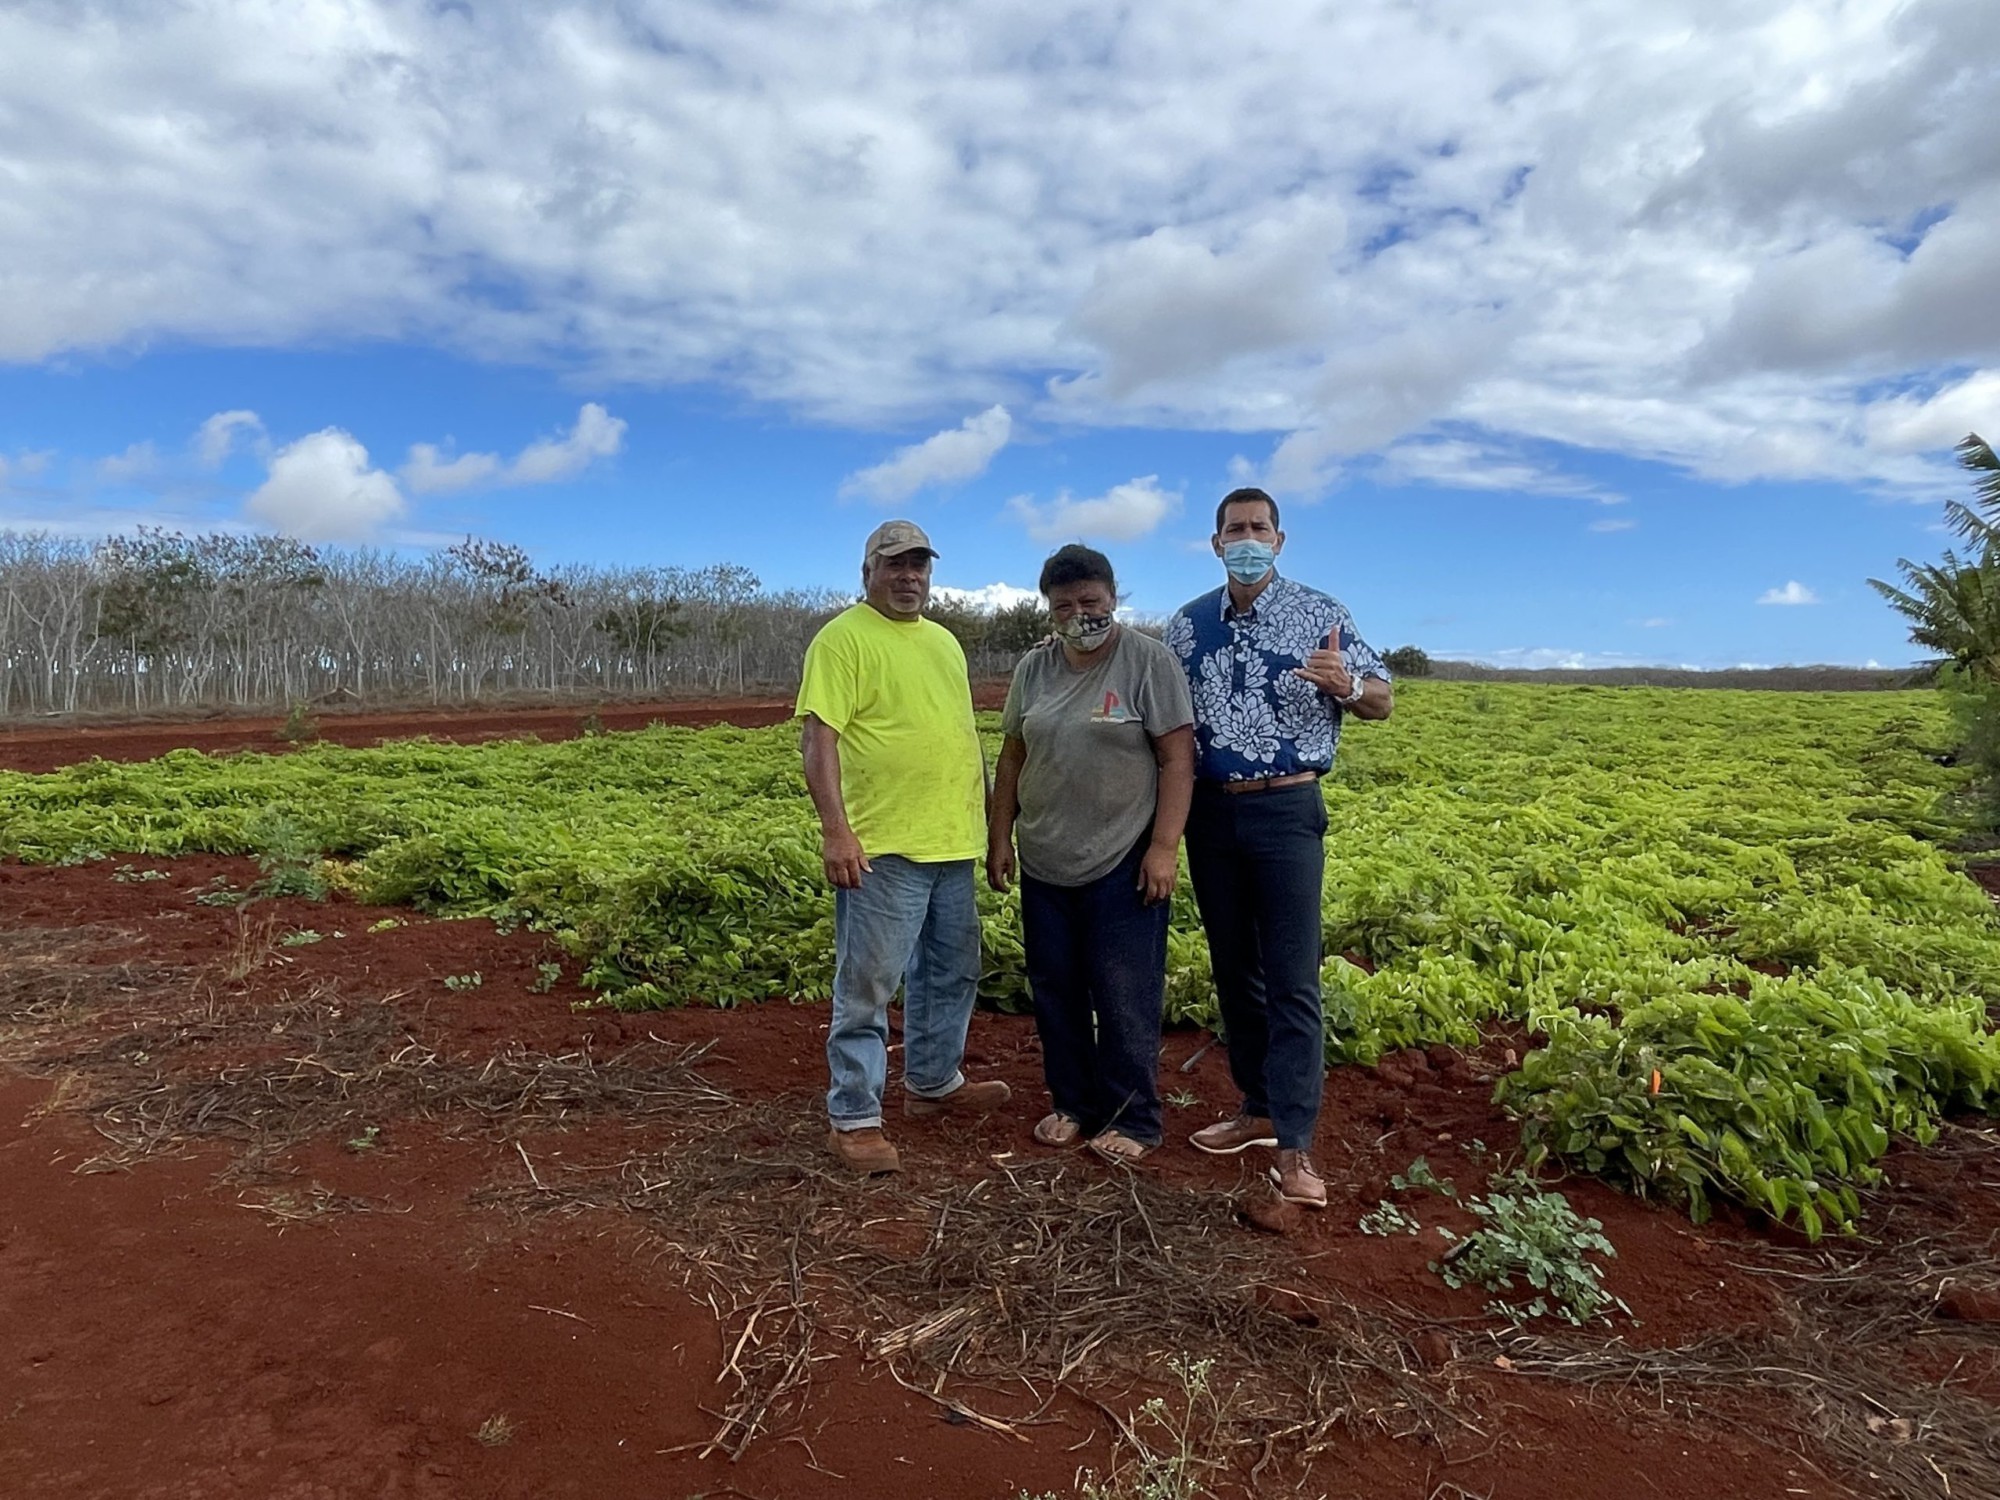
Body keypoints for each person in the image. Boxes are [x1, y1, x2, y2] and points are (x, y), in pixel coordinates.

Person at [1164, 487, 1393, 1209]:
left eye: (1259, 527)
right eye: (1235, 529)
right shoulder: (1187, 626)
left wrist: (1348, 684)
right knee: (1235, 971)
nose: (1247, 538)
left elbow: (1383, 699)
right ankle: (1257, 1108)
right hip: (1210, 812)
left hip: (1288, 810)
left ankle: (1296, 1149)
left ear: (1280, 540)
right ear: (1215, 542)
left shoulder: (1321, 615)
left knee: (1292, 975)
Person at [797, 519, 1011, 1174]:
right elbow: (819, 740)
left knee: (951, 970)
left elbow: (960, 737)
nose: (909, 575)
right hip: (882, 846)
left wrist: (989, 831)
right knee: (870, 981)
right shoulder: (842, 641)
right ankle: (854, 1116)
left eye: (919, 564)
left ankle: (933, 1082)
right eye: (895, 564)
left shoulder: (945, 644)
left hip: (951, 843)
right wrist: (837, 829)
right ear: (867, 572)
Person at [987, 545, 1195, 1163]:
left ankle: (1136, 1119)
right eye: (1065, 605)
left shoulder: (1148, 662)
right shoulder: (1035, 669)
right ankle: (1072, 1103)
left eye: (1091, 602)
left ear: (1113, 597)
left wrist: (1163, 848)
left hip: (1122, 856)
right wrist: (1001, 836)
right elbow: (1014, 755)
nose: (1080, 614)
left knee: (1124, 989)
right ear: (1048, 610)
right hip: (1046, 855)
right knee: (1056, 988)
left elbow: (1177, 759)